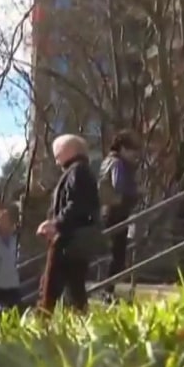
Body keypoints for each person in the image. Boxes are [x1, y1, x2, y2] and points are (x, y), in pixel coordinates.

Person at [36, 135, 101, 314]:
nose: (55, 158)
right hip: (76, 240)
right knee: (74, 288)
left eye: (57, 152)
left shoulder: (77, 172)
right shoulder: (81, 172)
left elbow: (77, 204)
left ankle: (42, 321)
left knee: (50, 287)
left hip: (69, 239)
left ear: (69, 150)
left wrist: (56, 224)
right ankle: (79, 318)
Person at [100, 131, 141, 292]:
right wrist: (137, 191)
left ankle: (107, 288)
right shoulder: (118, 164)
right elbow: (119, 186)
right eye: (132, 150)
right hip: (116, 213)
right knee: (117, 256)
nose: (134, 155)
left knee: (114, 254)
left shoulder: (108, 161)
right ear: (123, 148)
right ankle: (107, 290)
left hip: (109, 211)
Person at [0, 208, 21, 312]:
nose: (5, 223)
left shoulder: (15, 239)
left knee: (16, 311)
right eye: (2, 220)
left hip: (12, 283)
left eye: (7, 220)